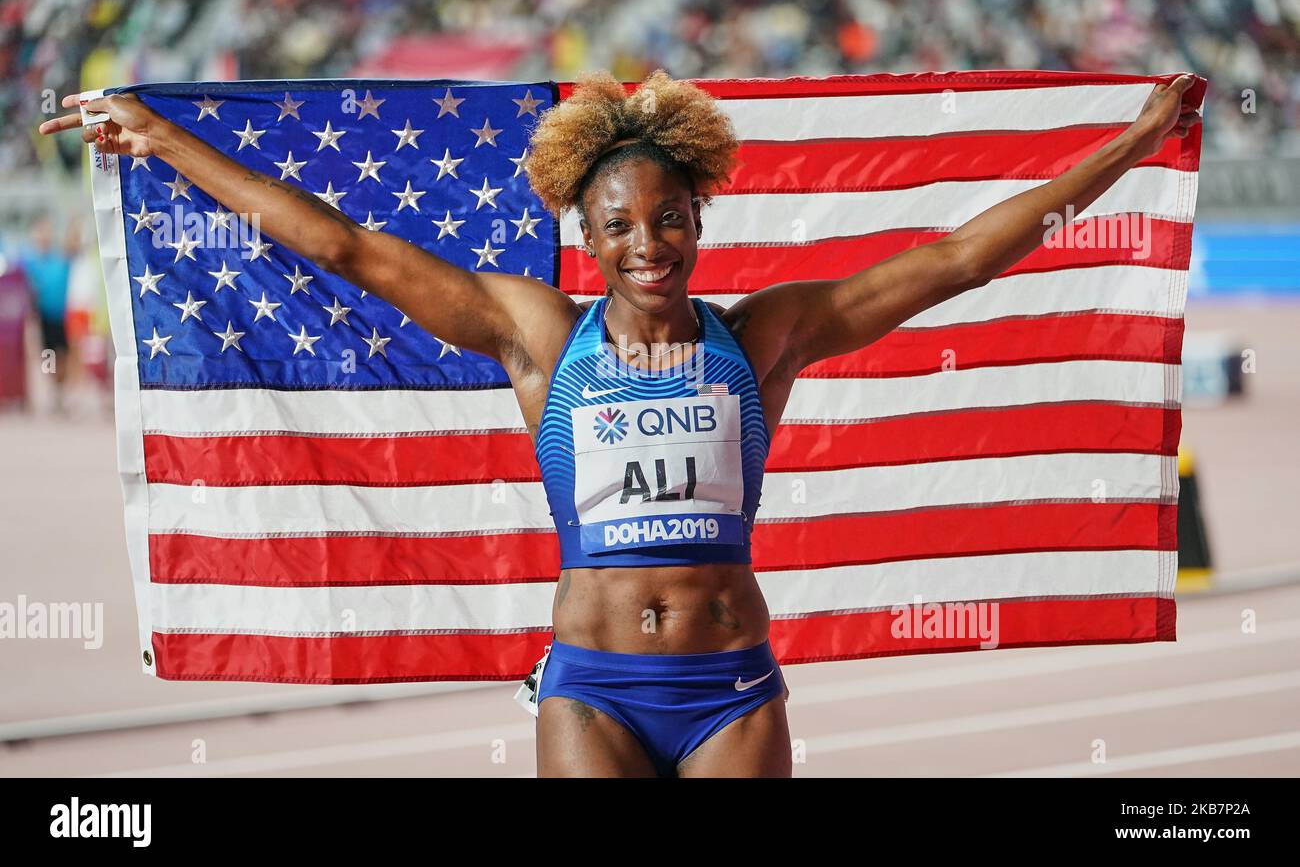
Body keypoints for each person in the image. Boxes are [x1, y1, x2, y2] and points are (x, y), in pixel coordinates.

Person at [40, 69, 1200, 777]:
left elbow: (951, 261)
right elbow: (346, 246)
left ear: (697, 216)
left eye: (668, 218)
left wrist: (1134, 143)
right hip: (591, 685)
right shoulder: (540, 336)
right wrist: (162, 138)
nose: (648, 241)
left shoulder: (766, 335)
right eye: (620, 225)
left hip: (731, 689)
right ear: (586, 238)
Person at [19, 215, 73, 414]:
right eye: (40, 234)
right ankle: (54, 392)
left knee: (64, 354)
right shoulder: (29, 262)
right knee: (48, 355)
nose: (43, 237)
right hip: (43, 316)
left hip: (61, 315)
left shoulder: (59, 260)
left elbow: (71, 249)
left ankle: (60, 390)